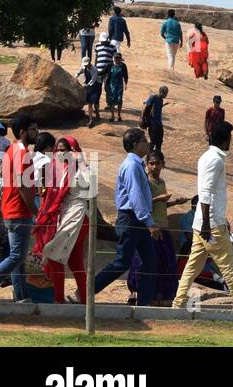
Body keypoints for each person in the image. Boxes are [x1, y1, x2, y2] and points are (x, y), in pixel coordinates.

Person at [172, 120, 233, 311]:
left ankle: (179, 301)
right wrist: (209, 223)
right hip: (211, 222)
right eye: (230, 138)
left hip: (205, 221)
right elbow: (205, 193)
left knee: (193, 265)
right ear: (225, 140)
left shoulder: (207, 157)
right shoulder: (214, 160)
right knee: (228, 265)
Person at [93, 129, 160, 305]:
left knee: (150, 261)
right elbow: (136, 197)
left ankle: (144, 303)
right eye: (144, 140)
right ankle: (87, 290)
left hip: (137, 219)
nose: (147, 143)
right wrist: (150, 222)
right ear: (135, 144)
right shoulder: (131, 166)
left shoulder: (137, 165)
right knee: (122, 262)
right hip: (132, 219)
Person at [34, 136, 93, 303]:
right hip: (66, 216)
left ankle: (57, 300)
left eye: (64, 150)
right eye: (57, 150)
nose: (59, 153)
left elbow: (91, 188)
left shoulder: (80, 169)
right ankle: (85, 301)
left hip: (77, 217)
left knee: (53, 255)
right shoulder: (58, 170)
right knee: (75, 263)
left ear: (72, 151)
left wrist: (80, 161)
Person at [129, 149, 188, 306]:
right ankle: (141, 294)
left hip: (164, 226)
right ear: (147, 165)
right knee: (147, 262)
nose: (154, 167)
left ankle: (162, 296)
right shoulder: (146, 182)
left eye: (158, 163)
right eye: (151, 163)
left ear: (163, 165)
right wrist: (158, 198)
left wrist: (175, 203)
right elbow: (141, 203)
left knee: (166, 262)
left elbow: (162, 205)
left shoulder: (161, 182)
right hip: (151, 227)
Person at [0, 116, 38, 302]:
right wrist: (36, 211)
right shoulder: (21, 152)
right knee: (16, 256)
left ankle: (22, 297)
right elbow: (22, 184)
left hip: (10, 208)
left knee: (17, 257)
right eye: (33, 129)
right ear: (22, 132)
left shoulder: (11, 149)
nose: (37, 133)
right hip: (18, 209)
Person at [140, 86, 168, 153]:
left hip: (159, 123)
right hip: (152, 123)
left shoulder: (161, 99)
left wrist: (164, 105)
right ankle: (150, 155)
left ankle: (158, 154)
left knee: (160, 140)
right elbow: (146, 107)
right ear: (161, 92)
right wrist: (142, 118)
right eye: (165, 93)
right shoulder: (153, 97)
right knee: (153, 141)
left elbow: (158, 108)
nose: (166, 95)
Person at [103, 51, 129, 122]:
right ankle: (112, 115)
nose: (117, 59)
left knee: (119, 100)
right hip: (111, 86)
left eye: (118, 58)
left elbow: (126, 76)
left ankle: (119, 115)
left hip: (119, 86)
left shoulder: (123, 66)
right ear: (113, 58)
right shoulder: (110, 65)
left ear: (120, 59)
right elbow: (103, 72)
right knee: (111, 100)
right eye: (116, 58)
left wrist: (125, 84)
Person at [77, 56, 102, 126]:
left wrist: (86, 85)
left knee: (96, 102)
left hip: (96, 86)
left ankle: (97, 113)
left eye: (86, 64)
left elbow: (93, 80)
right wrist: (77, 74)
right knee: (90, 103)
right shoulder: (84, 67)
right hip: (89, 87)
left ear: (89, 62)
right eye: (84, 64)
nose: (85, 65)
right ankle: (91, 120)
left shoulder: (94, 69)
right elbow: (80, 71)